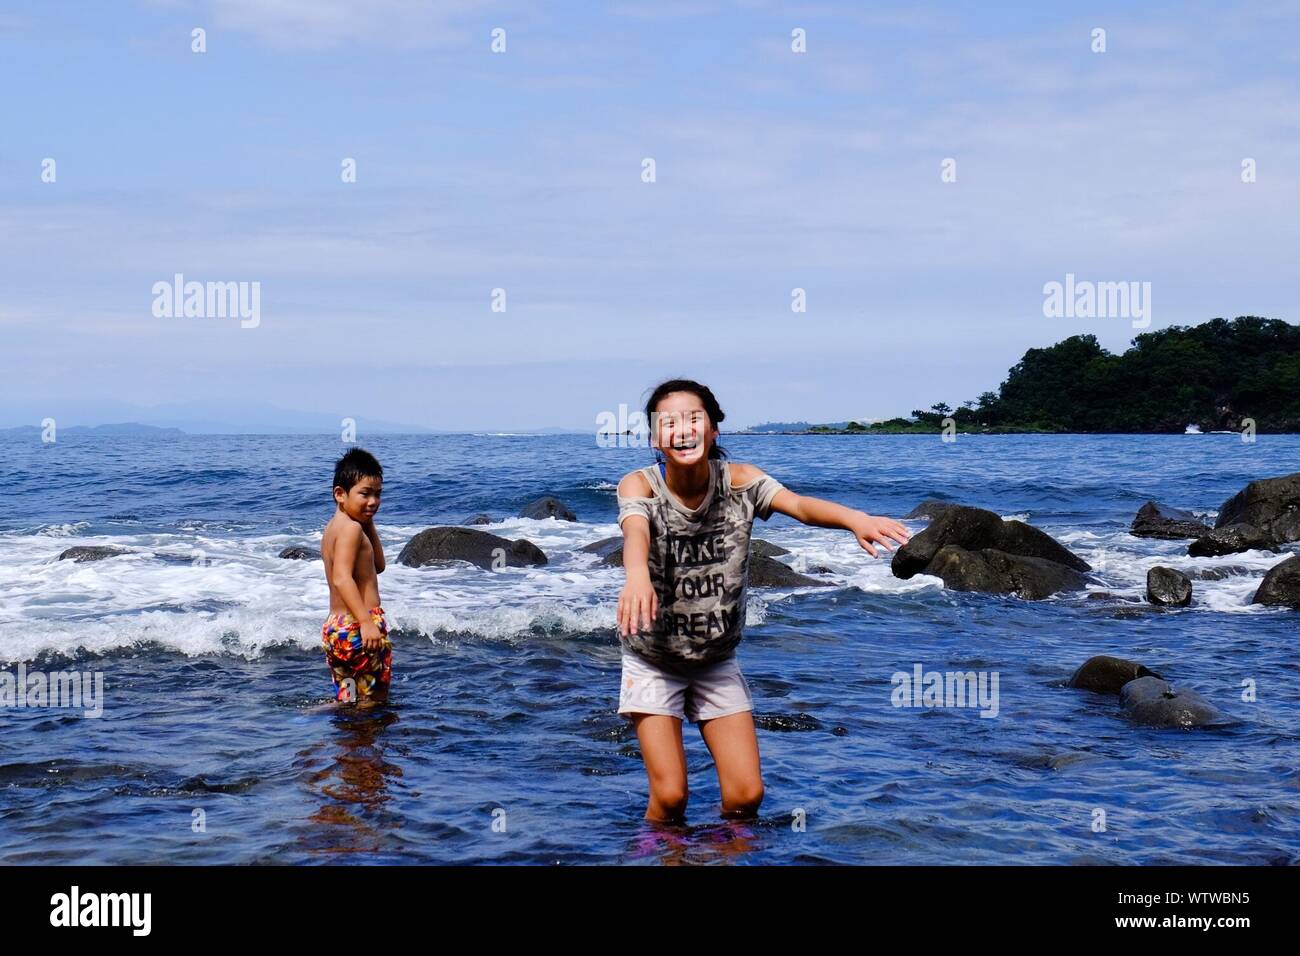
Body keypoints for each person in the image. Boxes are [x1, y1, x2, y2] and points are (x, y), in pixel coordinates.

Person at [615, 379, 910, 822]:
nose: (683, 429)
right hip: (654, 659)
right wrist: (636, 575)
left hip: (716, 660)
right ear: (655, 438)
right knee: (673, 796)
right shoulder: (639, 485)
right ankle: (662, 853)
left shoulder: (743, 481)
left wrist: (855, 519)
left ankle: (724, 854)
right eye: (669, 422)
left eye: (694, 418)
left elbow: (800, 505)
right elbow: (635, 528)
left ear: (713, 429)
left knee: (745, 797)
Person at [320, 448, 391, 704]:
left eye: (378, 494)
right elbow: (341, 578)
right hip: (358, 624)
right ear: (340, 494)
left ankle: (342, 741)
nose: (373, 501)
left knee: (349, 698)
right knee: (373, 699)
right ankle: (363, 742)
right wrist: (366, 622)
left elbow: (379, 565)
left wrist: (368, 522)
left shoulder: (335, 528)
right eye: (365, 494)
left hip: (337, 628)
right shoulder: (350, 529)